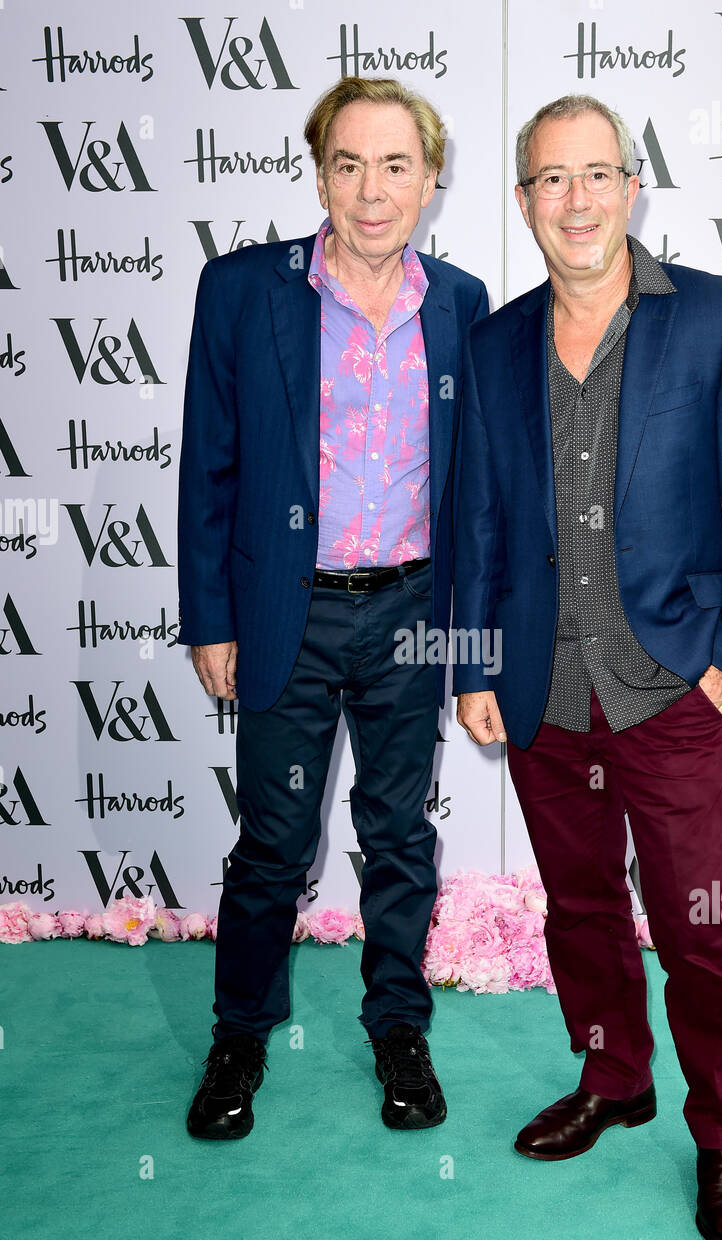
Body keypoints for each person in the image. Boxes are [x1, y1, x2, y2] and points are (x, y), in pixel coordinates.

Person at [452, 94, 722, 1240]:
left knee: (698, 923)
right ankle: (614, 1079)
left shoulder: (715, 318)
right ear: (523, 201)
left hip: (668, 685)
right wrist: (471, 662)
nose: (576, 200)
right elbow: (474, 520)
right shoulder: (492, 343)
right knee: (582, 905)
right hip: (543, 691)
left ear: (630, 189)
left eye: (596, 175)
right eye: (552, 180)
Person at [177, 76, 489, 1140]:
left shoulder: (461, 303)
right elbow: (208, 466)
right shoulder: (241, 289)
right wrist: (209, 616)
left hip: (412, 610)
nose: (370, 189)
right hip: (284, 610)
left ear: (430, 180)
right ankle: (240, 1036)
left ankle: (398, 1029)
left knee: (398, 834)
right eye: (348, 163)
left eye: (395, 164)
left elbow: (473, 489)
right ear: (319, 174)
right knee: (273, 841)